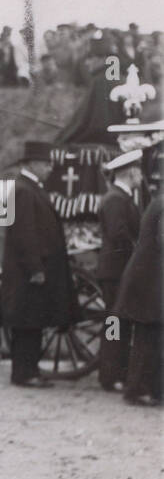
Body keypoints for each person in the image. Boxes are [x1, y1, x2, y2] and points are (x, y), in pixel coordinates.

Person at [0, 141, 76, 388]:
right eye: (46, 163)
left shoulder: (31, 188)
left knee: (33, 321)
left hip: (34, 271)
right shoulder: (24, 190)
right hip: (28, 273)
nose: (50, 168)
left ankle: (29, 369)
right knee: (27, 323)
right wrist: (35, 269)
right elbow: (24, 234)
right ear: (31, 164)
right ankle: (23, 373)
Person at [95, 149, 145, 391]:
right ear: (131, 172)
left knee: (118, 322)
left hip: (117, 271)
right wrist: (140, 252)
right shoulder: (116, 199)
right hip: (116, 272)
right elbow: (119, 235)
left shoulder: (118, 197)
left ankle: (115, 372)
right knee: (114, 322)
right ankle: (110, 374)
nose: (141, 178)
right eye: (139, 173)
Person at [116, 195, 163, 405]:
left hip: (150, 279)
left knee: (151, 336)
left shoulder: (159, 202)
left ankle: (148, 389)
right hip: (151, 281)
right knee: (148, 336)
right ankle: (138, 390)